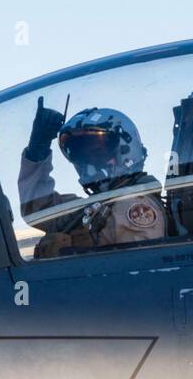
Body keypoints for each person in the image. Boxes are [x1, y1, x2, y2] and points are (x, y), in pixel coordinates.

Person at [17, 97, 166, 258]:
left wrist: (69, 256)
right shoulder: (97, 206)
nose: (89, 163)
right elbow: (37, 209)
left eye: (98, 152)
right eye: (82, 155)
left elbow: (137, 273)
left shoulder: (133, 206)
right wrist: (38, 148)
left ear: (126, 150)